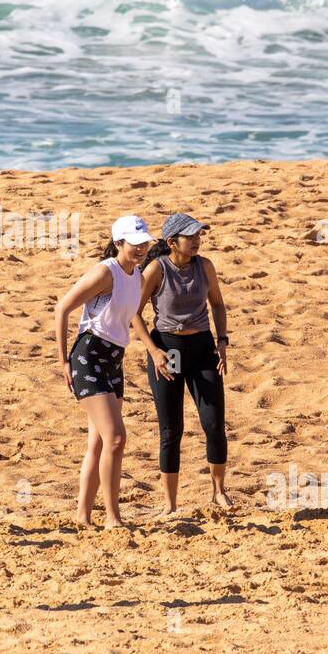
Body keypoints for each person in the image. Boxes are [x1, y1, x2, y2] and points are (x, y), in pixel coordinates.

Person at [54, 215, 153, 528]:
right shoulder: (104, 272)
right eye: (134, 244)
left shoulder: (136, 274)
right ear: (118, 243)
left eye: (144, 243)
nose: (140, 249)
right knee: (116, 438)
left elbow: (133, 314)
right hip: (89, 356)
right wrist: (63, 360)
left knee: (98, 444)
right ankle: (112, 517)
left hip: (114, 358)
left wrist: (152, 347)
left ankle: (83, 516)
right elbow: (62, 307)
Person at [131, 213, 232, 514]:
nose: (198, 240)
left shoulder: (205, 266)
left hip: (201, 347)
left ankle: (219, 492)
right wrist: (153, 351)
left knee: (213, 423)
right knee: (171, 428)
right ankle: (169, 504)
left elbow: (216, 303)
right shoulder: (156, 270)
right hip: (168, 349)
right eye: (191, 236)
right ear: (172, 242)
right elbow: (133, 313)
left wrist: (222, 341)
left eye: (200, 235)